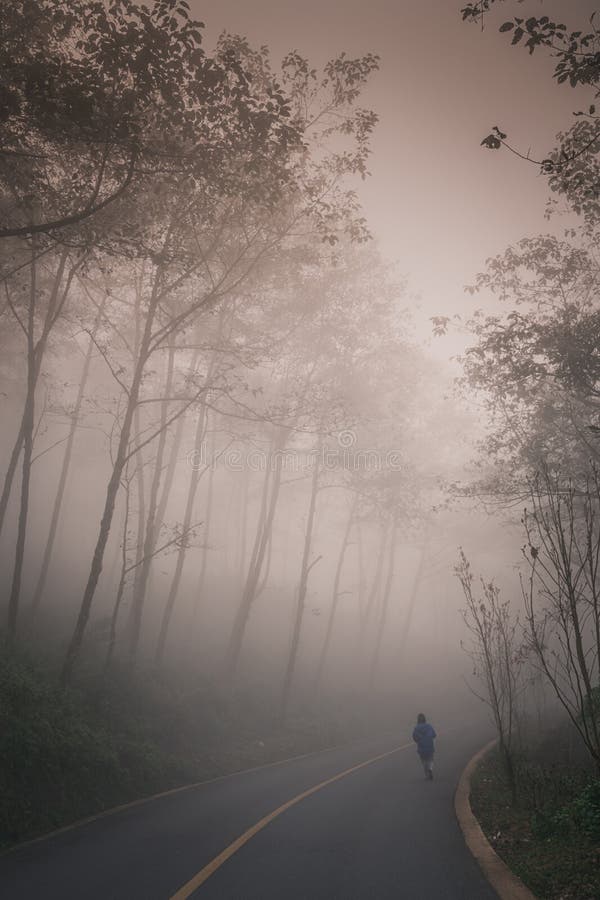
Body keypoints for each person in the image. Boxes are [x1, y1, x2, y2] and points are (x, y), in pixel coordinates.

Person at [412, 712, 436, 780]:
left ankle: (426, 775)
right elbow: (434, 735)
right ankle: (430, 769)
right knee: (430, 759)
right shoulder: (429, 726)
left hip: (421, 748)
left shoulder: (416, 728)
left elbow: (414, 738)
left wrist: (420, 740)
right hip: (430, 747)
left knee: (423, 761)